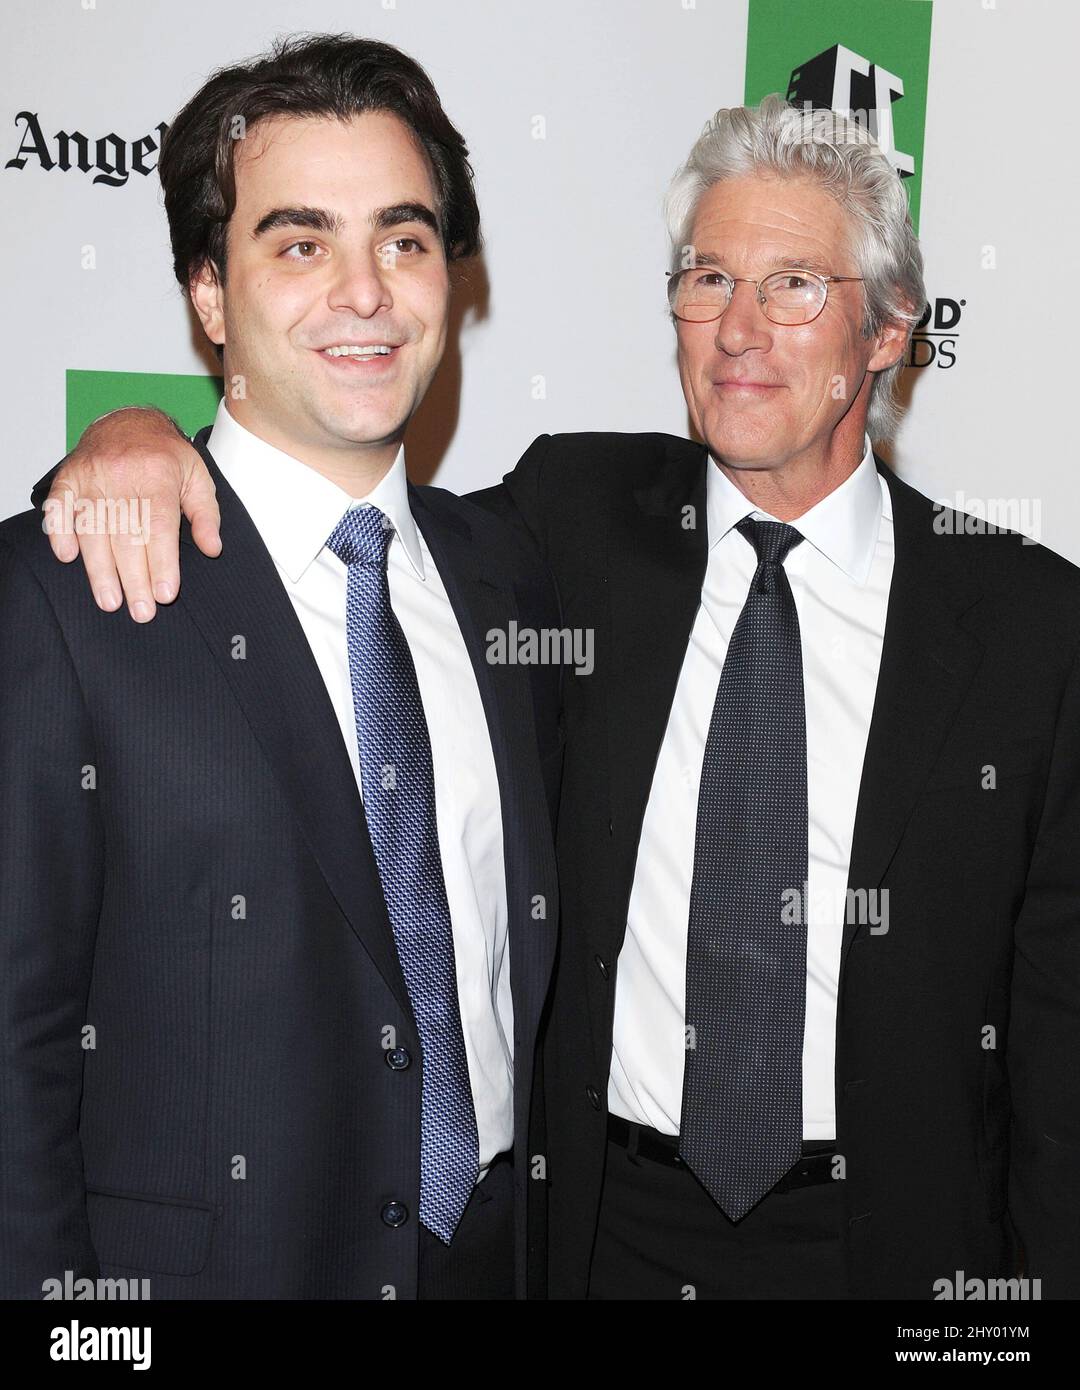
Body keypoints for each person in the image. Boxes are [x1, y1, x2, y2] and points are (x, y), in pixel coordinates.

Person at [32, 94, 1080, 1300]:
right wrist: (129, 436)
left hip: (894, 1248)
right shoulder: (576, 520)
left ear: (890, 330)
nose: (737, 329)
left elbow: (1060, 1058)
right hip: (598, 1237)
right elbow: (313, 501)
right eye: (705, 278)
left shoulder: (1028, 628)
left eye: (794, 285)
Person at [0, 33, 563, 1301]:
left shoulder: (515, 578)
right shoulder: (62, 593)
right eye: (300, 243)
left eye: (404, 239)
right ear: (210, 293)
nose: (364, 292)